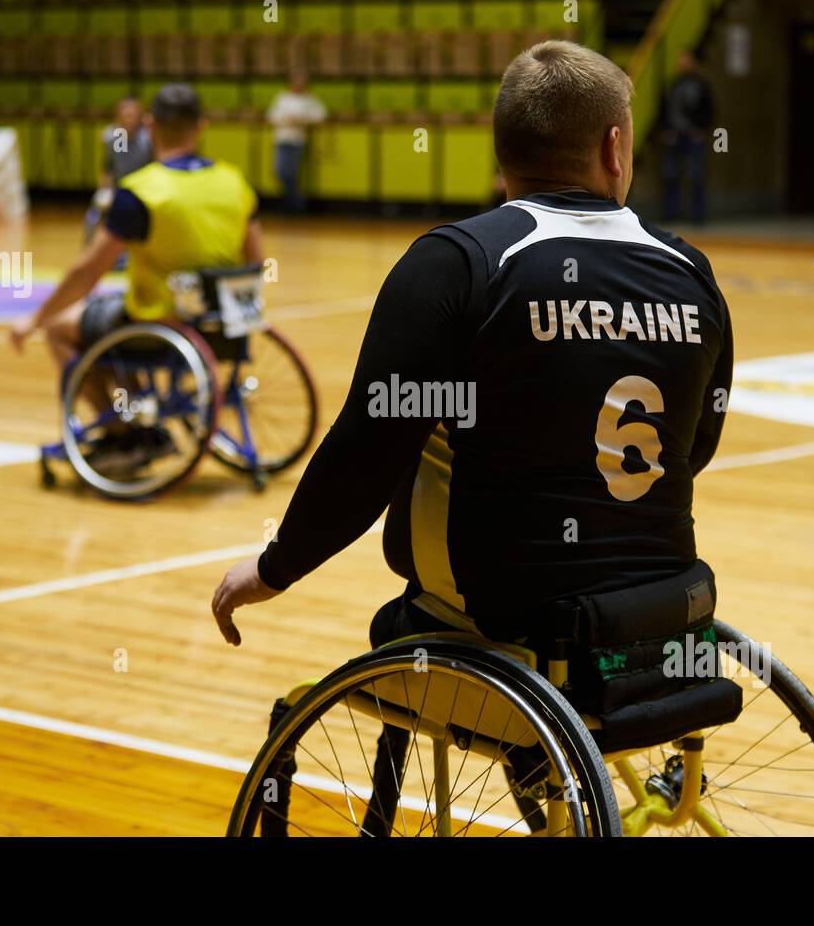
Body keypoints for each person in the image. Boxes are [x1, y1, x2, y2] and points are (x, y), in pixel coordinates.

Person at [211, 42, 733, 666]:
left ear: (503, 151)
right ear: (613, 148)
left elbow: (365, 451)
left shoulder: (457, 262)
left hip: (502, 620)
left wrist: (275, 568)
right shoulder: (689, 271)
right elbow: (697, 443)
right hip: (664, 613)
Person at [9, 83, 263, 467]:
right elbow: (255, 263)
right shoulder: (235, 182)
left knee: (63, 329)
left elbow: (87, 272)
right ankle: (138, 419)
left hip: (158, 326)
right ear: (202, 126)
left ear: (150, 125)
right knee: (103, 327)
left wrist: (35, 318)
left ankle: (122, 434)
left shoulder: (141, 192)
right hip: (222, 326)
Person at [85, 96, 154, 245]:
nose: (128, 119)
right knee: (96, 211)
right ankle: (89, 247)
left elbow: (153, 166)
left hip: (144, 188)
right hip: (120, 187)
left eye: (132, 115)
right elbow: (110, 165)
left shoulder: (148, 138)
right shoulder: (115, 138)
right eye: (124, 115)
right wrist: (104, 189)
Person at [660, 49, 713, 225]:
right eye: (681, 59)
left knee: (696, 176)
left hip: (693, 136)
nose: (682, 63)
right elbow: (665, 108)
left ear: (694, 63)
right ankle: (671, 213)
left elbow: (709, 110)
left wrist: (701, 129)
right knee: (670, 175)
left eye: (686, 59)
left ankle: (697, 215)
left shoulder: (701, 85)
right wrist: (666, 129)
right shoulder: (673, 83)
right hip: (674, 135)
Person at [266, 74, 326, 213]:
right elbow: (271, 116)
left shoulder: (309, 99)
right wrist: (287, 120)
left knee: (290, 173)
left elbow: (321, 115)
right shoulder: (282, 97)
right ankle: (293, 202)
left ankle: (295, 205)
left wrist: (302, 120)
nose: (298, 85)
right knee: (279, 171)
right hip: (281, 139)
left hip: (296, 140)